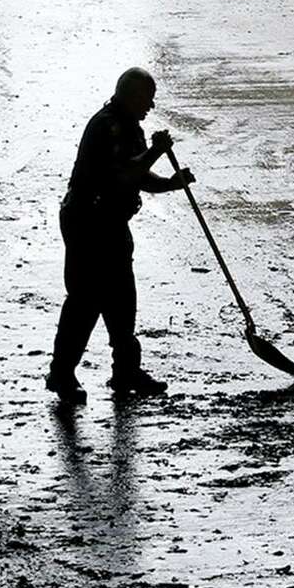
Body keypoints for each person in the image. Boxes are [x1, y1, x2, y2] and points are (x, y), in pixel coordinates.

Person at [46, 67, 195, 403]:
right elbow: (122, 176)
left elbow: (139, 177)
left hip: (111, 223)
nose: (150, 106)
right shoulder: (106, 126)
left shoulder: (129, 127)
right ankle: (61, 374)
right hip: (87, 222)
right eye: (147, 98)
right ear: (130, 95)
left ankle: (126, 370)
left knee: (122, 299)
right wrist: (156, 151)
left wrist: (172, 183)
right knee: (85, 301)